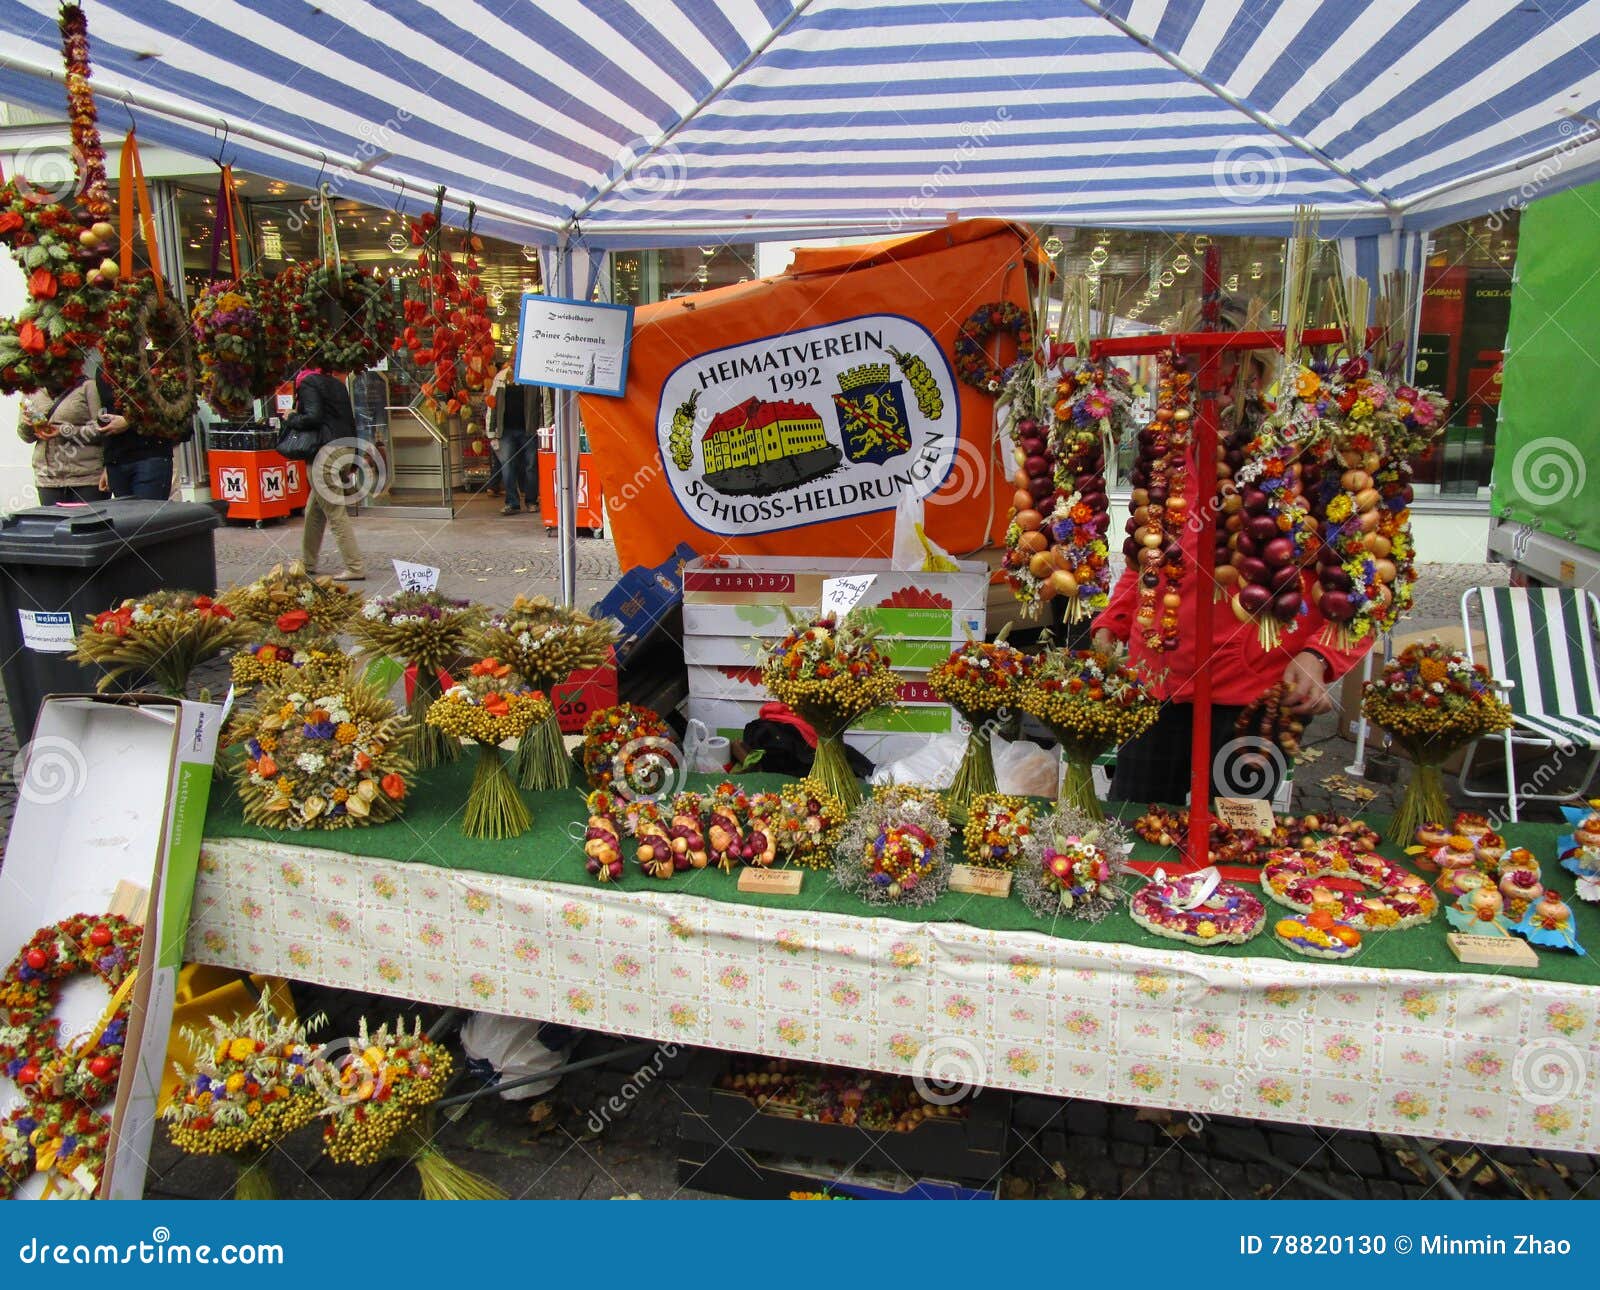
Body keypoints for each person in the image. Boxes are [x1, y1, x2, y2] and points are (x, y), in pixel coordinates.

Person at [1092, 373, 1370, 806]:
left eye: (1226, 375)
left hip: (1253, 693)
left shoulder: (1301, 460)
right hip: (1156, 684)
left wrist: (1321, 656)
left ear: (1257, 376)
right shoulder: (1167, 459)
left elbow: (1360, 588)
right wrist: (1115, 619)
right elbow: (1144, 562)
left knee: (1235, 835)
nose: (1211, 395)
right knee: (1134, 823)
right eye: (1192, 378)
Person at [290, 366, 366, 580]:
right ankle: (308, 563)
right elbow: (350, 422)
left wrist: (292, 418)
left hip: (324, 454)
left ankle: (355, 566)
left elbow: (313, 417)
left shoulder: (307, 384)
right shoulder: (337, 385)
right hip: (344, 449)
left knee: (334, 513)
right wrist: (354, 457)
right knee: (314, 510)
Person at [17, 372, 124, 504]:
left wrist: (64, 431)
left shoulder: (88, 386)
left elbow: (102, 428)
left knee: (87, 524)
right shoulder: (31, 391)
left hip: (87, 477)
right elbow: (26, 437)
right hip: (48, 479)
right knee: (53, 524)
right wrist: (27, 425)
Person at [101, 371, 177, 500]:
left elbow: (169, 403)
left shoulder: (153, 358)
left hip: (150, 454)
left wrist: (130, 420)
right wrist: (107, 464)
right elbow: (106, 409)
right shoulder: (102, 369)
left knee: (147, 516)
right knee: (126, 518)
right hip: (117, 460)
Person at [486, 362, 537, 516]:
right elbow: (492, 405)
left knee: (531, 466)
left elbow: (542, 404)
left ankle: (531, 501)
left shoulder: (532, 377)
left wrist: (545, 427)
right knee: (507, 466)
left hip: (528, 429)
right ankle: (512, 502)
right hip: (506, 430)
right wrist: (491, 432)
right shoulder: (500, 378)